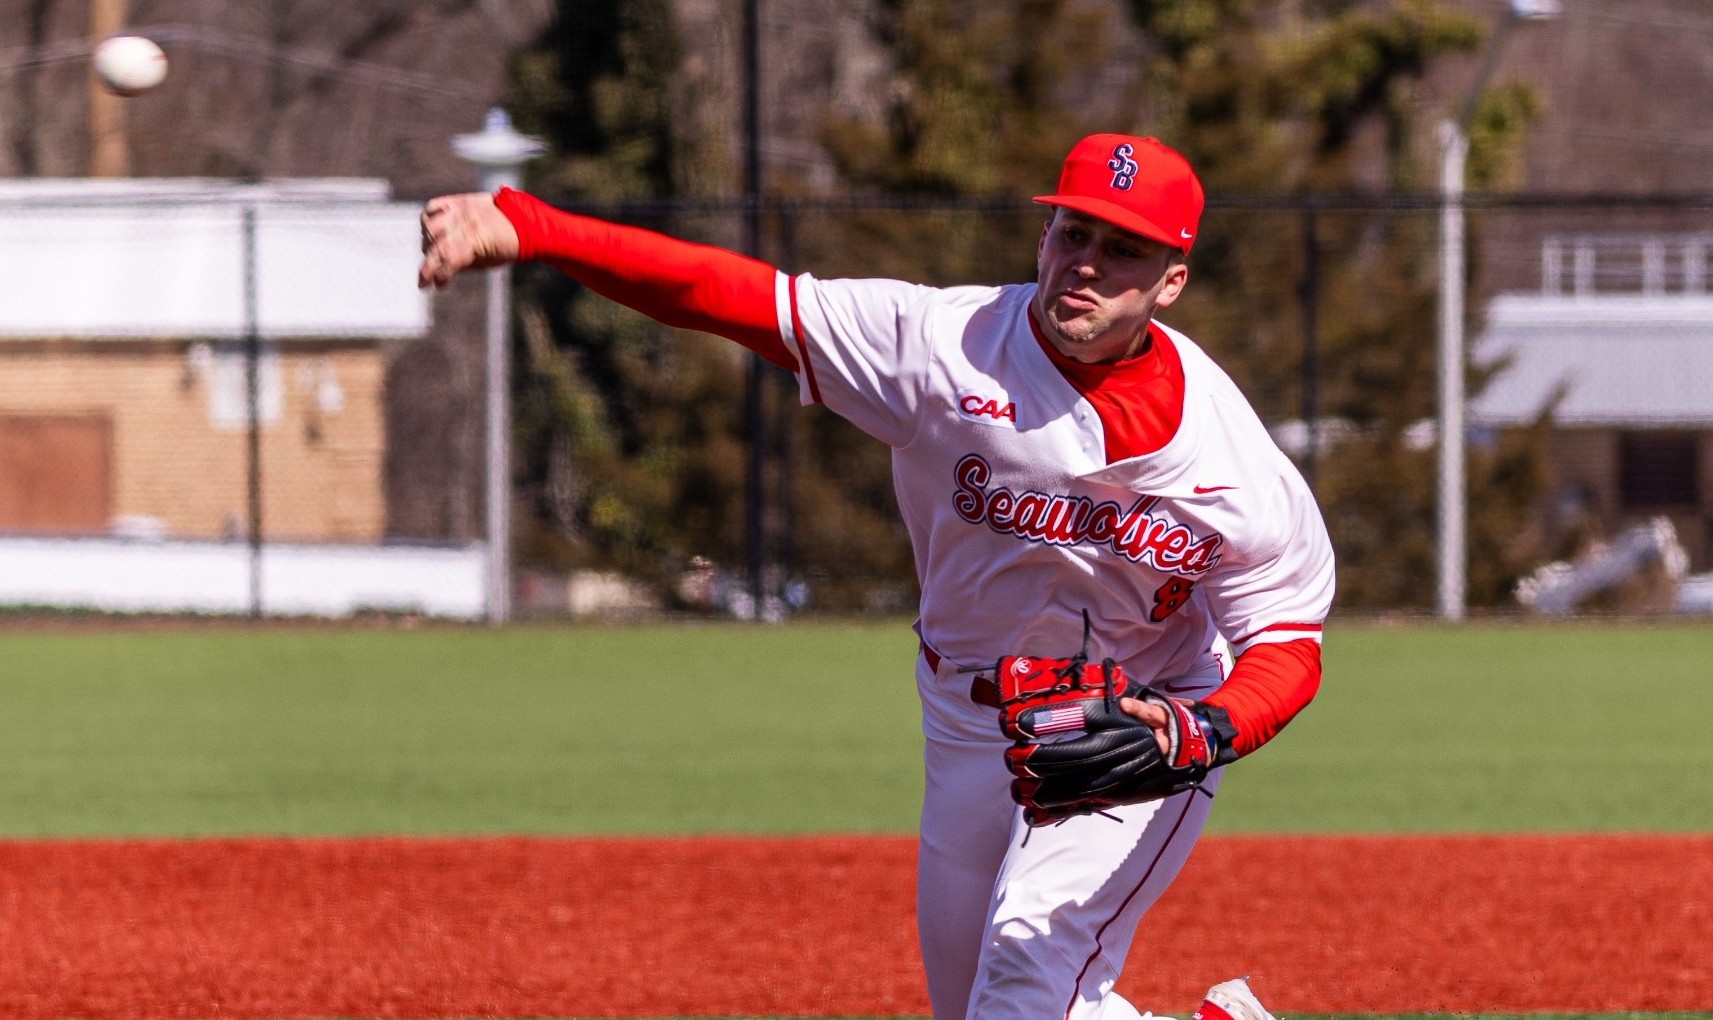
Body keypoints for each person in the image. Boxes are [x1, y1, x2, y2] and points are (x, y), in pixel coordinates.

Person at [419, 133, 1333, 1020]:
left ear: (1171, 281)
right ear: (1042, 238)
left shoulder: (1230, 457)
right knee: (976, 1005)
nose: (1085, 263)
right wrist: (532, 226)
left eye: (1122, 248)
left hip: (1135, 725)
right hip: (969, 722)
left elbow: (1286, 638)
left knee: (1023, 979)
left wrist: (1199, 730)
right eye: (1072, 233)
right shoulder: (942, 347)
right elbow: (729, 296)